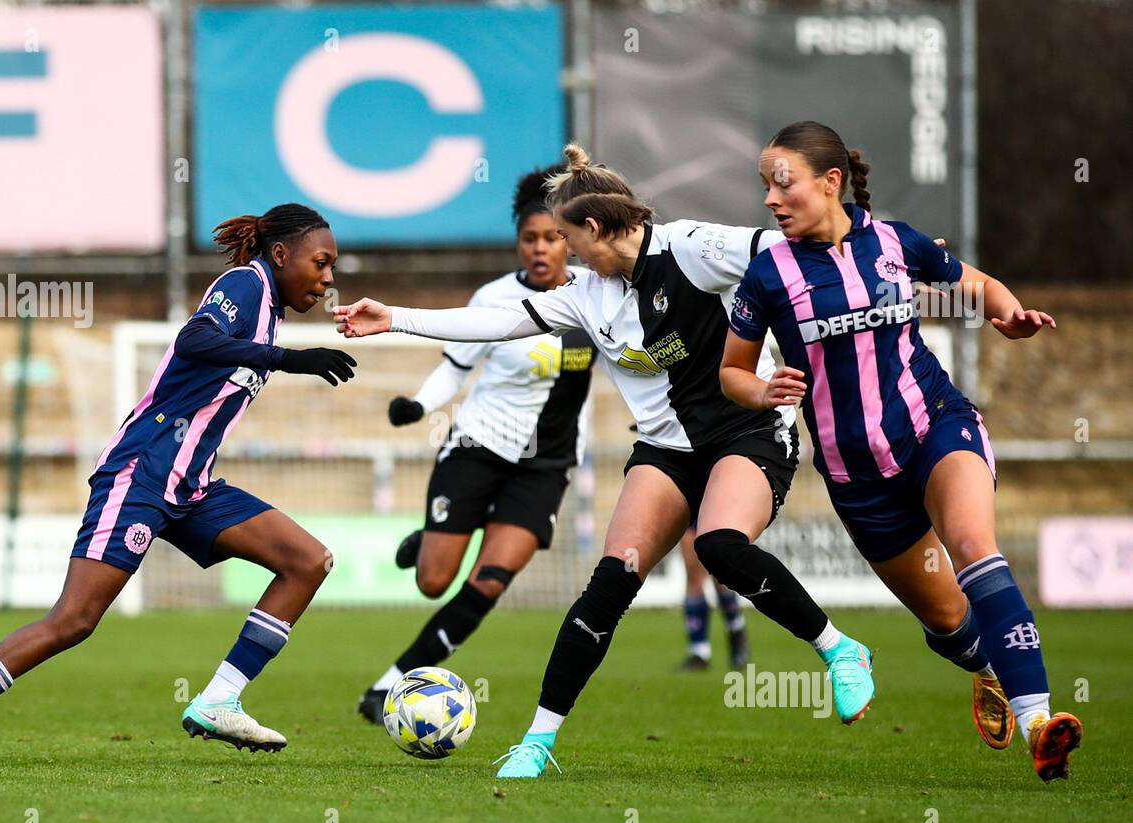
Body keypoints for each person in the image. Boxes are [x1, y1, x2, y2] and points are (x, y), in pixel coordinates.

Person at [338, 144, 876, 780]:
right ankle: (537, 744)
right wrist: (394, 318)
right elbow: (495, 322)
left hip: (749, 429)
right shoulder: (588, 294)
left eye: (566, 239)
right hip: (666, 447)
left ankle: (839, 650)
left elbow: (789, 248)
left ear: (591, 229)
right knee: (610, 582)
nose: (561, 255)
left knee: (723, 546)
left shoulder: (692, 247)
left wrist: (875, 248)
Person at [0, 204, 358, 768]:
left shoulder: (270, 311)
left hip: (191, 486)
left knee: (307, 562)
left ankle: (218, 699)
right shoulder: (247, 284)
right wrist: (287, 360)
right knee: (74, 620)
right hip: (141, 472)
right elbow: (195, 340)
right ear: (280, 255)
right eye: (320, 262)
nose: (328, 278)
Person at [720, 121, 1081, 781]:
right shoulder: (768, 272)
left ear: (830, 182)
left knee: (974, 545)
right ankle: (983, 668)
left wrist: (1008, 311)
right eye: (765, 186)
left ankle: (1040, 724)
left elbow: (973, 281)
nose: (770, 199)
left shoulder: (894, 241)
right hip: (857, 476)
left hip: (935, 425)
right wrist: (760, 388)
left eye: (782, 182)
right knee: (948, 622)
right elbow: (731, 372)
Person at [356, 166, 595, 722]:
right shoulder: (494, 297)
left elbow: (632, 361)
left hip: (546, 465)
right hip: (477, 449)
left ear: (571, 237)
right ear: (518, 242)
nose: (540, 249)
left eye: (552, 237)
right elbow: (454, 367)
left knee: (487, 583)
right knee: (433, 582)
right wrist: (419, 406)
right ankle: (437, 535)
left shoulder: (593, 298)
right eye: (529, 239)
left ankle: (389, 685)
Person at [678, 528, 750, 670]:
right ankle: (699, 652)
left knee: (720, 574)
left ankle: (736, 630)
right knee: (693, 574)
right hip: (690, 511)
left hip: (716, 509)